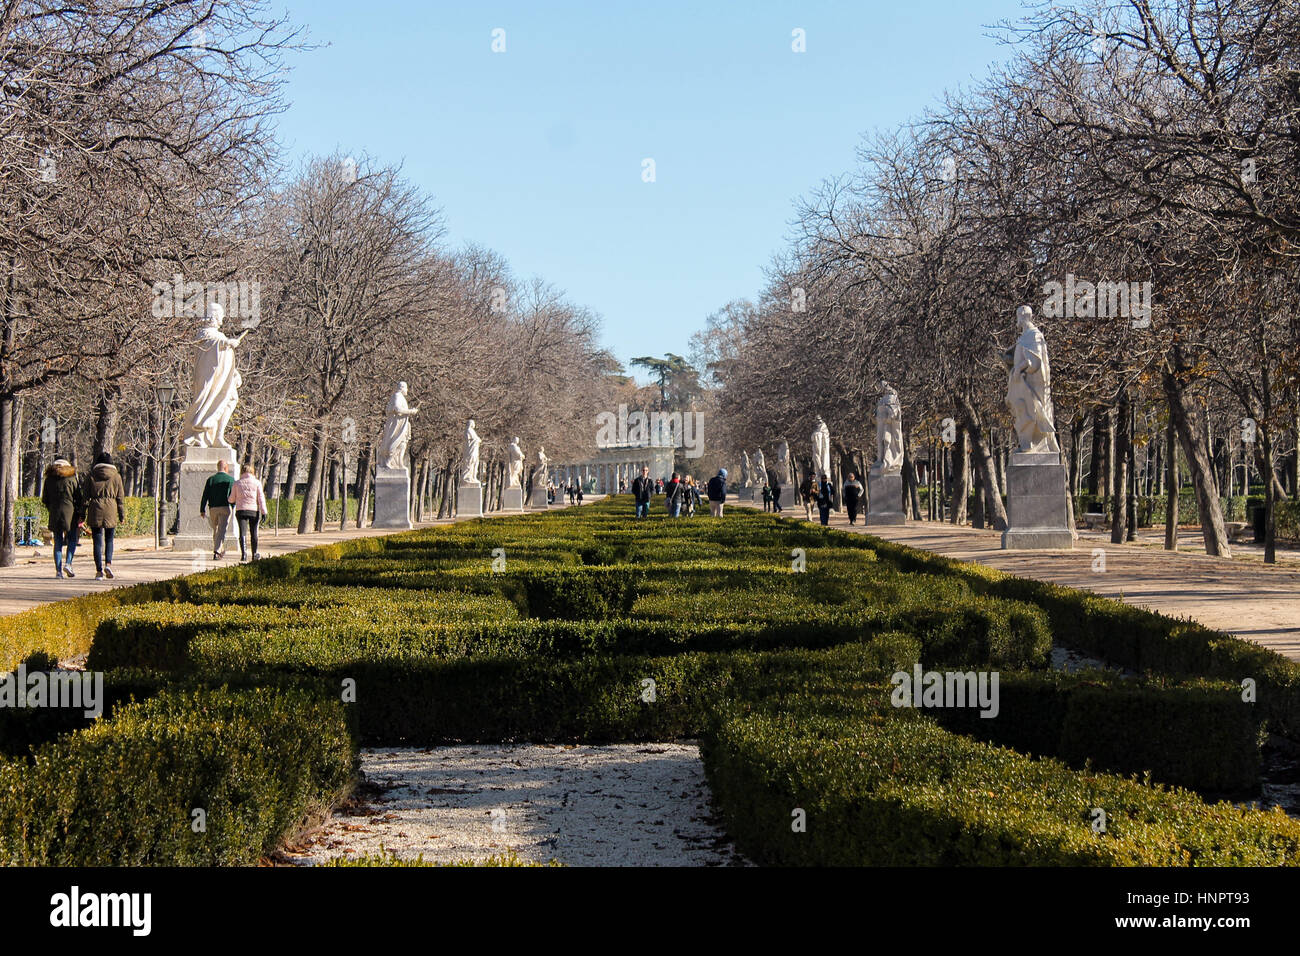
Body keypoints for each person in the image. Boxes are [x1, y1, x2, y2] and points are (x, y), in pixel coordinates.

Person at [81, 451, 125, 580]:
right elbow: (120, 498)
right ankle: (108, 564)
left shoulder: (91, 476)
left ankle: (99, 571)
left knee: (97, 541)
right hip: (111, 509)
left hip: (95, 509)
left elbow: (85, 498)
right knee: (110, 539)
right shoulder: (116, 477)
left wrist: (82, 515)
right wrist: (121, 515)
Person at [41, 457, 82, 579]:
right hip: (71, 513)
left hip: (55, 513)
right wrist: (80, 513)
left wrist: (51, 508)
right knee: (72, 540)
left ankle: (58, 571)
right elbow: (79, 497)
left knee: (57, 541)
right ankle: (68, 563)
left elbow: (45, 499)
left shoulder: (49, 480)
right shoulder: (71, 478)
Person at [229, 464, 267, 562]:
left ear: (242, 471)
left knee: (242, 533)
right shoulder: (257, 483)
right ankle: (254, 553)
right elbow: (261, 498)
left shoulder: (237, 483)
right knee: (254, 533)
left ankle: (244, 554)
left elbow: (232, 499)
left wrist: (230, 499)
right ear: (252, 472)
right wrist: (264, 512)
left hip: (241, 510)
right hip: (253, 511)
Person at [199, 460, 236, 560]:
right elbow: (233, 495)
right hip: (225, 507)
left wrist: (202, 509)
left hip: (213, 508)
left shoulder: (211, 480)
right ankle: (217, 551)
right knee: (221, 530)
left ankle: (220, 549)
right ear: (226, 468)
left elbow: (205, 495)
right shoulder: (230, 480)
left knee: (215, 530)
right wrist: (232, 506)